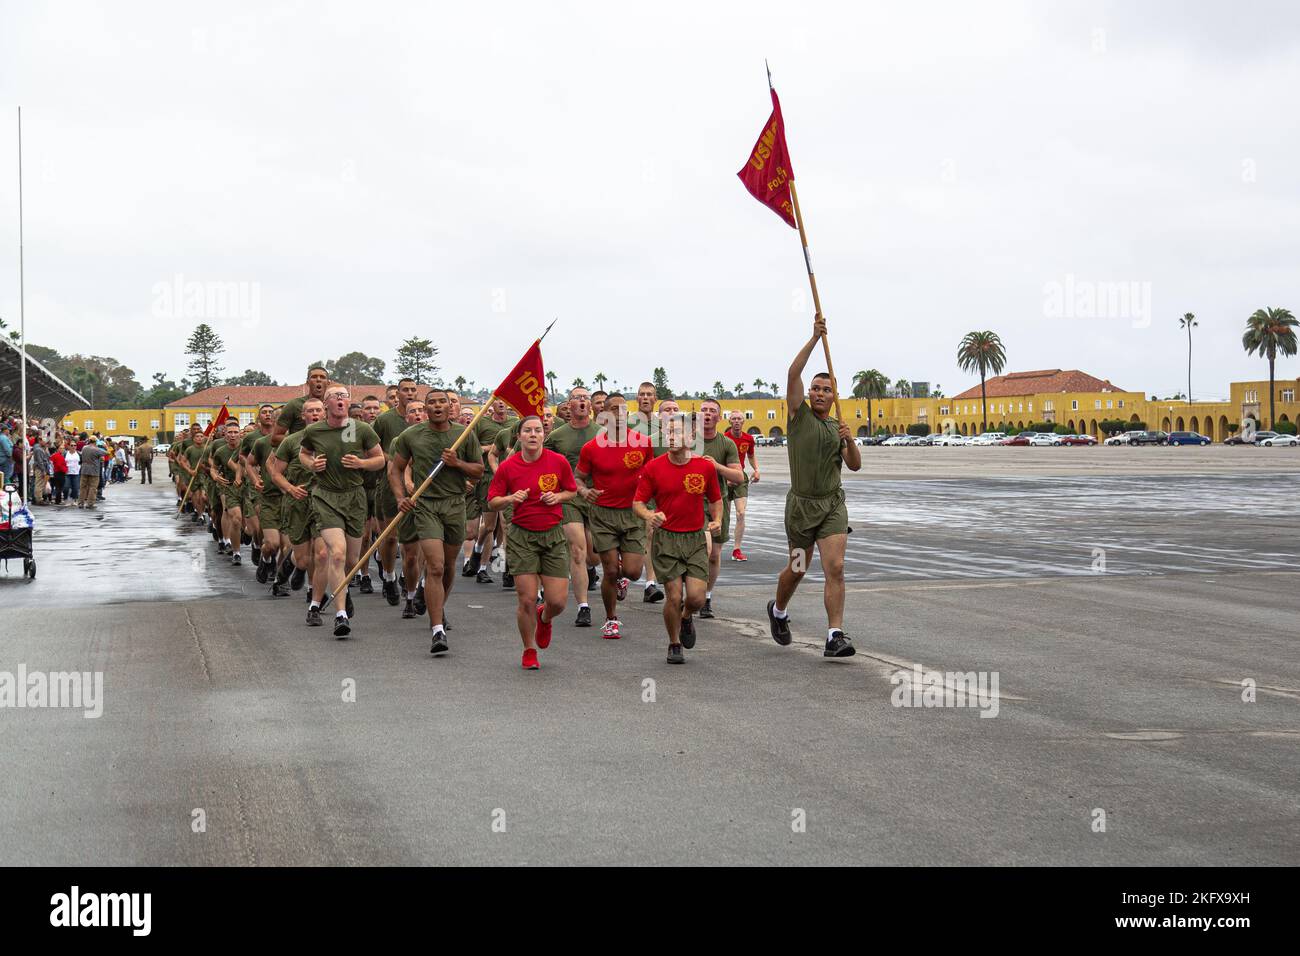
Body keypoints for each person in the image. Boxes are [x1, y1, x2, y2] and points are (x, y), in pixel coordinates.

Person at [767, 315, 861, 658]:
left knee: (835, 567)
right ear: (809, 393)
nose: (820, 394)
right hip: (801, 509)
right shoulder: (799, 416)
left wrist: (850, 441)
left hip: (832, 506)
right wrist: (814, 339)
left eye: (827, 390)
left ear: (835, 396)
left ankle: (834, 635)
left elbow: (854, 465)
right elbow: (792, 373)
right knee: (796, 569)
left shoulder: (839, 426)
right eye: (816, 389)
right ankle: (778, 611)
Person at [389, 389, 483, 654]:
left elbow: (478, 469)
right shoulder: (411, 435)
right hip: (426, 505)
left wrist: (457, 463)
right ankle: (437, 629)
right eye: (432, 402)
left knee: (450, 565)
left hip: (455, 504)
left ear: (450, 407)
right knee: (436, 566)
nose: (438, 406)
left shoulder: (464, 434)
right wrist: (400, 497)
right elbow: (395, 469)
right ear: (425, 408)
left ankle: (438, 606)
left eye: (442, 401)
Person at [487, 414, 576, 670]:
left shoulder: (558, 462)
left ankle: (544, 617)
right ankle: (529, 649)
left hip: (553, 535)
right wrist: (511, 499)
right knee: (526, 599)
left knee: (557, 601)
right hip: (521, 535)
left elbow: (571, 490)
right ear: (519, 436)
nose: (534, 434)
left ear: (544, 435)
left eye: (538, 430)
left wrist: (558, 497)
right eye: (528, 431)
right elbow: (493, 500)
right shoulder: (508, 466)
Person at [632, 414, 722, 665]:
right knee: (672, 595)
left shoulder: (704, 467)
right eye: (668, 432)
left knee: (696, 598)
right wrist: (649, 515)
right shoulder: (653, 467)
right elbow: (637, 503)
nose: (671, 437)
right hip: (667, 539)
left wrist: (717, 519)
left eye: (677, 432)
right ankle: (674, 643)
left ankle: (686, 616)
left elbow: (715, 499)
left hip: (694, 538)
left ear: (691, 437)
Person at [299, 386, 386, 637]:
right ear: (325, 404)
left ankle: (342, 590)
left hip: (354, 498)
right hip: (325, 497)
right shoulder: (314, 430)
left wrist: (361, 463)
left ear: (348, 403)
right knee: (336, 554)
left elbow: (379, 460)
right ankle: (340, 615)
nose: (340, 399)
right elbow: (304, 454)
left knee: (350, 561)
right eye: (335, 396)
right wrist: (312, 465)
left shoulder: (362, 430)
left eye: (344, 396)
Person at [575, 393, 653, 639]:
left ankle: (623, 578)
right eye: (613, 410)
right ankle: (611, 619)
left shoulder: (642, 442)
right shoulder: (591, 447)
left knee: (632, 572)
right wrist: (585, 491)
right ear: (603, 415)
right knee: (609, 570)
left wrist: (653, 507)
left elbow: (652, 475)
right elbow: (578, 478)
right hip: (603, 515)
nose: (619, 414)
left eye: (622, 410)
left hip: (632, 514)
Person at [544, 386, 602, 626]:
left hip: (597, 497)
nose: (581, 401)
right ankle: (583, 606)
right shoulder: (556, 436)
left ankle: (592, 569)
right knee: (577, 550)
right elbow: (543, 464)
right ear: (568, 405)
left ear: (590, 405)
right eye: (576, 398)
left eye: (585, 398)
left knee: (594, 556)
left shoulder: (602, 433)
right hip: (569, 498)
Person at [271, 397, 327, 599]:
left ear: (325, 413)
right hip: (298, 502)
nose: (314, 414)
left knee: (321, 553)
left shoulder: (335, 439)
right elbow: (276, 473)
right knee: (303, 559)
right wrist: (290, 488)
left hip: (324, 503)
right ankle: (289, 564)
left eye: (318, 410)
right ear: (303, 416)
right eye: (310, 411)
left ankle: (314, 593)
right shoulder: (291, 441)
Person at [695, 399, 745, 619]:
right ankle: (689, 593)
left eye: (712, 411)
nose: (707, 414)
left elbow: (739, 476)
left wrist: (716, 466)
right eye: (704, 410)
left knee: (714, 555)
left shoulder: (726, 444)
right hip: (691, 504)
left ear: (719, 417)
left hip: (717, 504)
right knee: (700, 551)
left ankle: (706, 596)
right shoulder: (687, 441)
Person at [371, 378, 419, 606]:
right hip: (390, 486)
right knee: (390, 538)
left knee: (413, 545)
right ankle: (389, 576)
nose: (409, 393)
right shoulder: (384, 420)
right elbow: (373, 448)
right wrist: (395, 459)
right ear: (396, 393)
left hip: (419, 488)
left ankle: (410, 584)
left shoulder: (424, 420)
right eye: (405, 390)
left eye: (413, 390)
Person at [725, 410, 759, 560]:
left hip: (740, 478)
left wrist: (756, 470)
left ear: (743, 422)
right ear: (730, 422)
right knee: (721, 517)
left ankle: (736, 550)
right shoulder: (724, 439)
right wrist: (725, 478)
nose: (737, 421)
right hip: (724, 478)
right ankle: (714, 546)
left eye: (739, 419)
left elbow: (751, 456)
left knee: (741, 513)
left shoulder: (749, 439)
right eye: (734, 419)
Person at [274, 365, 332, 442]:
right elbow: (275, 438)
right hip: (299, 452)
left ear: (328, 383)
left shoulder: (334, 406)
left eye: (322, 377)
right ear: (307, 382)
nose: (318, 379)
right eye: (314, 377)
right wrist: (303, 442)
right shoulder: (294, 405)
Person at [78, 437, 103, 509]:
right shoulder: (96, 449)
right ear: (95, 442)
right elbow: (106, 453)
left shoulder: (84, 448)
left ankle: (80, 503)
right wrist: (103, 447)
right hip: (94, 471)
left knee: (83, 487)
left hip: (84, 470)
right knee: (93, 487)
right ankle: (90, 503)